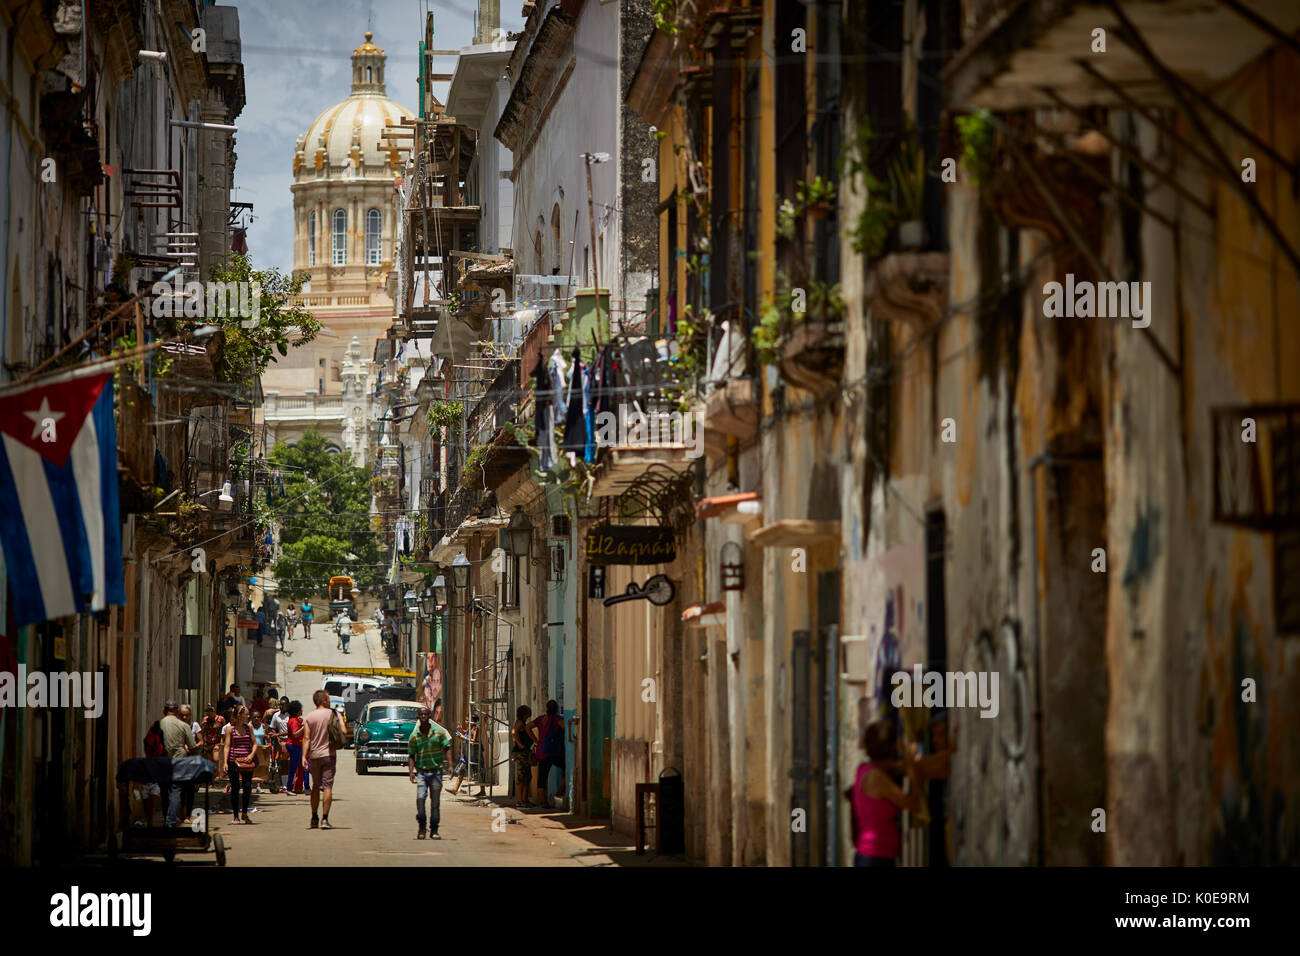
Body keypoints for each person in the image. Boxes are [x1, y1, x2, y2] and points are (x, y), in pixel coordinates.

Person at [848, 719, 953, 867]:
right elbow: (914, 804)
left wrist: (949, 753)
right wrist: (911, 769)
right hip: (875, 858)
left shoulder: (867, 770)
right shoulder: (877, 778)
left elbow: (918, 768)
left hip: (876, 857)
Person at [408, 705, 453, 839]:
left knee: (435, 803)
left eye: (425, 715)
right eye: (421, 715)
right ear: (418, 717)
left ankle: (434, 830)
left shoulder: (438, 732)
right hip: (421, 772)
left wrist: (450, 765)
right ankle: (422, 828)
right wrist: (411, 772)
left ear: (429, 717)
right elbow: (411, 755)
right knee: (420, 800)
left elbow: (447, 748)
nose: (423, 717)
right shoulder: (414, 736)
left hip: (436, 773)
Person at [302, 690, 342, 829]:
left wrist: (303, 756)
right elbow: (343, 732)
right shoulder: (335, 714)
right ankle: (324, 819)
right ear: (324, 701)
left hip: (314, 756)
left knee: (315, 786)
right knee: (327, 787)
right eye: (328, 699)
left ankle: (314, 816)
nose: (330, 701)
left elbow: (306, 738)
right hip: (329, 755)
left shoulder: (309, 717)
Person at [159, 700, 199, 827]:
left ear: (164, 711)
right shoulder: (183, 726)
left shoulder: (158, 725)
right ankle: (170, 820)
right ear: (176, 712)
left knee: (165, 792)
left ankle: (167, 817)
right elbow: (193, 747)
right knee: (176, 791)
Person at [220, 705, 258, 824]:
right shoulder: (230, 729)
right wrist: (225, 762)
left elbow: (255, 744)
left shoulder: (249, 728)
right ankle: (236, 815)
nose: (248, 716)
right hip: (233, 761)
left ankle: (245, 813)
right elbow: (226, 746)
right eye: (246, 714)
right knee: (235, 788)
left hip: (247, 762)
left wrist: (251, 756)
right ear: (239, 716)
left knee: (247, 787)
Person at [531, 700, 565, 809]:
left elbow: (527, 727)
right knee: (565, 767)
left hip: (541, 750)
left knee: (542, 776)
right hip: (552, 751)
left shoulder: (541, 719)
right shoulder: (556, 719)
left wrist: (535, 740)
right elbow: (565, 727)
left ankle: (544, 802)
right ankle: (560, 790)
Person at [511, 705, 536, 809]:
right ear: (525, 713)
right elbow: (514, 732)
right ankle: (520, 801)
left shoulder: (522, 722)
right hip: (521, 753)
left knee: (526, 776)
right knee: (521, 777)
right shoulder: (520, 723)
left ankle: (525, 800)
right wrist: (520, 744)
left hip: (524, 752)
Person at [447, 716, 478, 795]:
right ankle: (455, 789)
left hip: (473, 754)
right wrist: (461, 731)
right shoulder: (470, 728)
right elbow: (466, 733)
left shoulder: (475, 729)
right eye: (466, 720)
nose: (466, 722)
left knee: (478, 771)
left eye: (468, 720)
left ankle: (483, 790)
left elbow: (474, 740)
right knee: (462, 770)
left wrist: (463, 738)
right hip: (467, 754)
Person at [285, 701, 309, 794]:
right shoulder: (294, 721)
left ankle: (304, 787)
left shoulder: (294, 720)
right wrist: (304, 727)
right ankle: (289, 788)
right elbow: (295, 734)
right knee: (295, 767)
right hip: (294, 746)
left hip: (296, 746)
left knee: (302, 766)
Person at [250, 710, 270, 794]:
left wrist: (267, 737)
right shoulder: (249, 726)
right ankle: (250, 785)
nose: (256, 718)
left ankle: (258, 786)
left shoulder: (263, 726)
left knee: (259, 767)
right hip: (251, 750)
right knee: (251, 768)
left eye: (258, 717)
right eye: (254, 717)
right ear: (251, 718)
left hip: (261, 750)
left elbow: (267, 738)